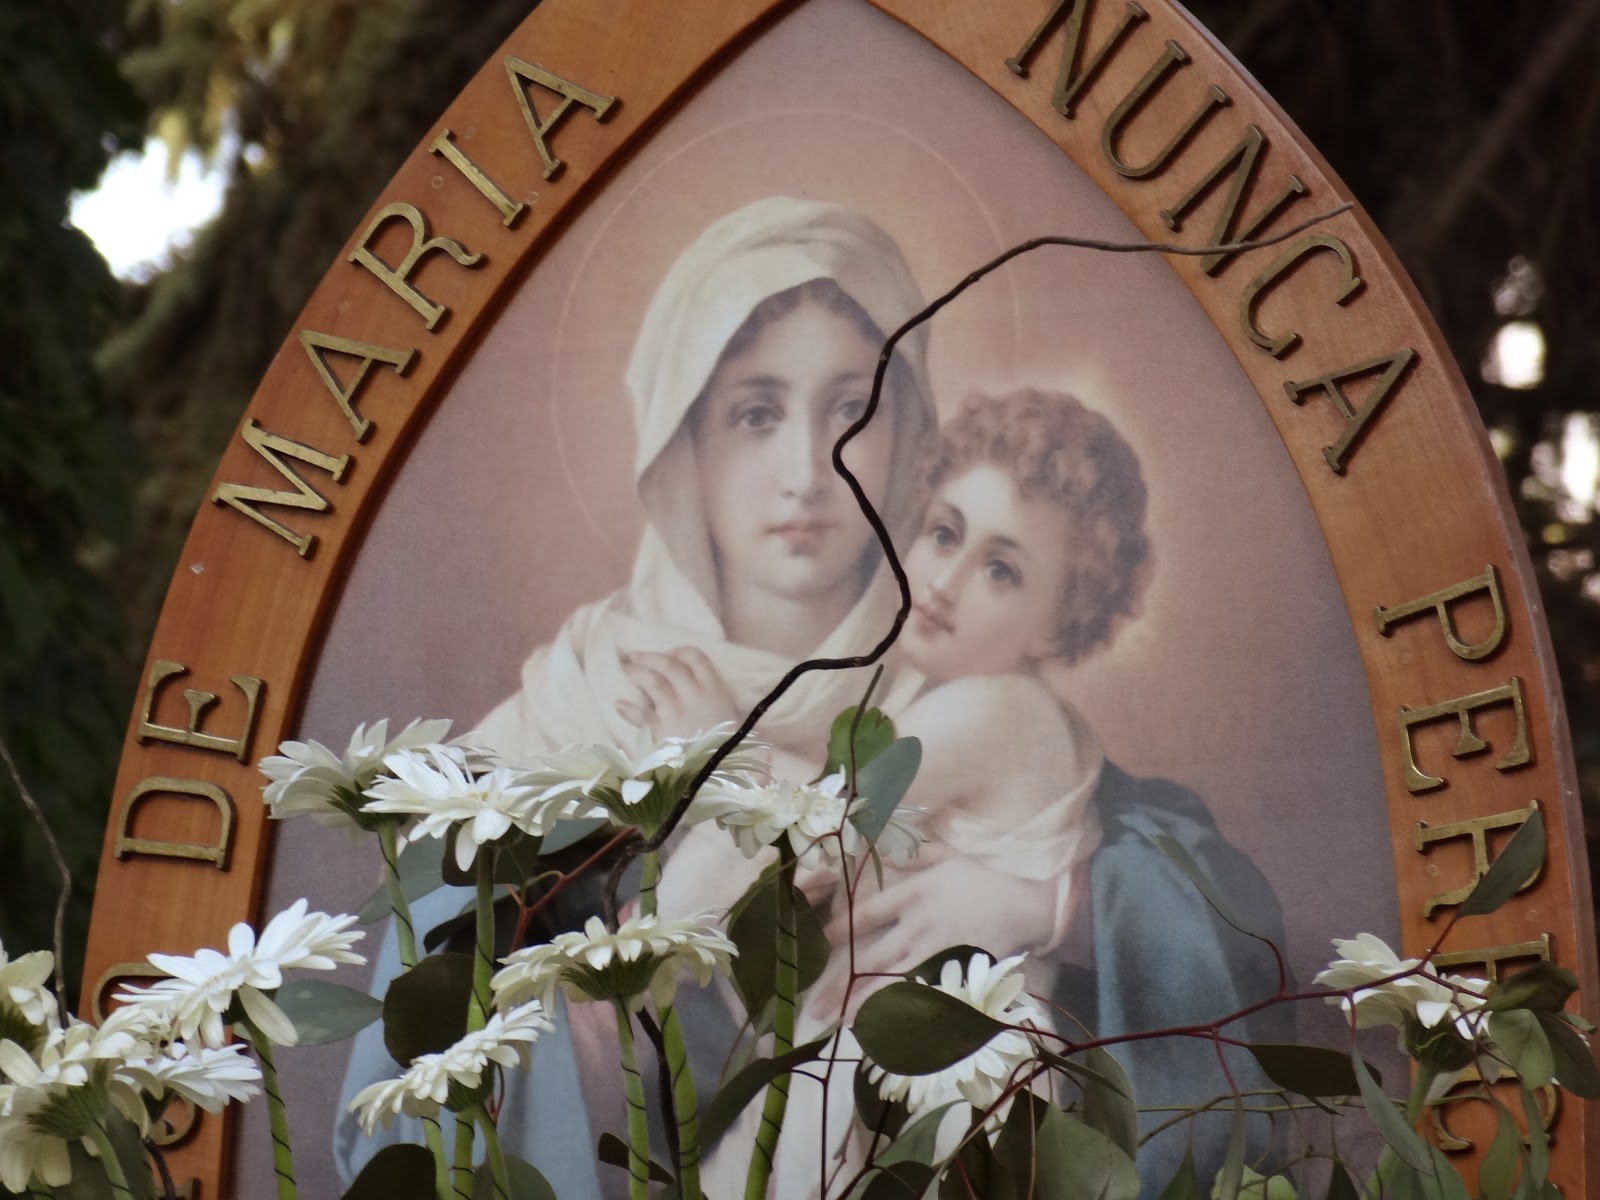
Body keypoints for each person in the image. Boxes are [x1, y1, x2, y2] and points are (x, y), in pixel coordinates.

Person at [333, 197, 937, 1195]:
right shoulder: (582, 700)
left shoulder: (957, 697)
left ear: (907, 431)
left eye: (852, 409)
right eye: (755, 414)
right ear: (681, 447)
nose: (808, 470)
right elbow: (422, 1070)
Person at [835, 389, 1292, 1196]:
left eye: (1001, 570)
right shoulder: (929, 700)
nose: (943, 579)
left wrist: (1046, 907)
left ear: (1055, 623)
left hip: (948, 1074)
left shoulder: (991, 708)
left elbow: (806, 834)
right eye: (943, 532)